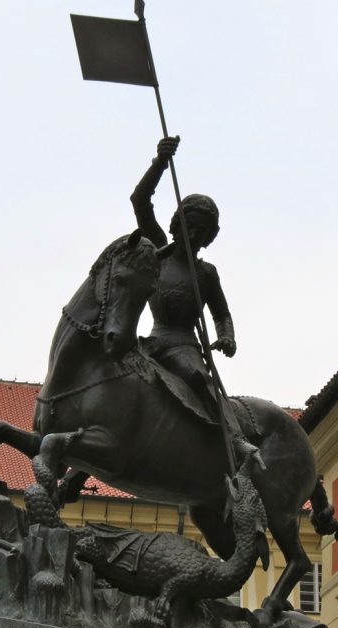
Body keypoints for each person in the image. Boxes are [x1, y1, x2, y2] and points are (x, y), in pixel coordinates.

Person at [131, 136, 237, 422]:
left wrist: (227, 337)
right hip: (151, 343)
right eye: (189, 225)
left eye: (202, 231)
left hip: (184, 347)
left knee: (200, 381)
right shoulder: (158, 251)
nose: (193, 234)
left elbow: (221, 314)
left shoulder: (206, 273)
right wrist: (160, 163)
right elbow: (139, 200)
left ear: (208, 238)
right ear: (177, 223)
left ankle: (234, 435)